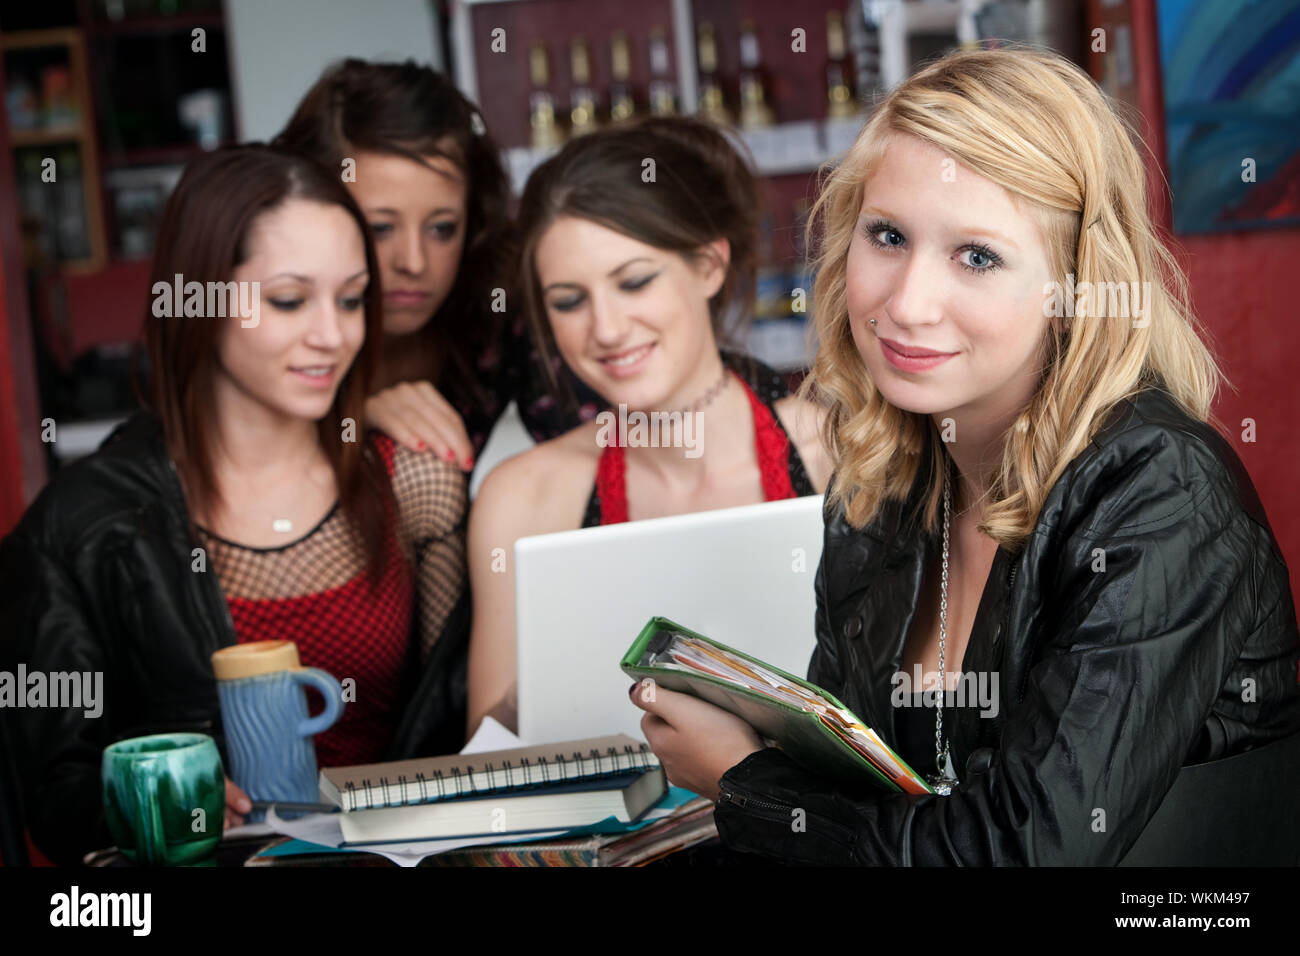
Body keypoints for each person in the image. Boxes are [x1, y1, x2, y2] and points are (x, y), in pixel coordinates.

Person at [630, 47, 1300, 865]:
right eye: (887, 236)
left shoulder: (1161, 488)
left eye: (977, 257)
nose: (907, 303)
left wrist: (743, 781)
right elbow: (852, 810)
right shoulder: (885, 483)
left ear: (1077, 287)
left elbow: (1027, 851)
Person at [0, 145, 469, 865]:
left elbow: (458, 734)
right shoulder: (82, 525)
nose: (332, 334)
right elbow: (53, 794)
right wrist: (143, 803)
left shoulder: (412, 485)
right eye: (288, 300)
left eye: (350, 299)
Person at [465, 116, 833, 737]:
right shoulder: (521, 498)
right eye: (568, 300)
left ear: (710, 265)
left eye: (634, 282)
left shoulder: (839, 454)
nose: (606, 328)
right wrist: (558, 681)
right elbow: (490, 755)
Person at [273, 58, 603, 467]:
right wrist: (353, 423)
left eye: (442, 229)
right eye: (379, 229)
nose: (413, 262)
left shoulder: (494, 306)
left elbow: (607, 450)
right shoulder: (259, 321)